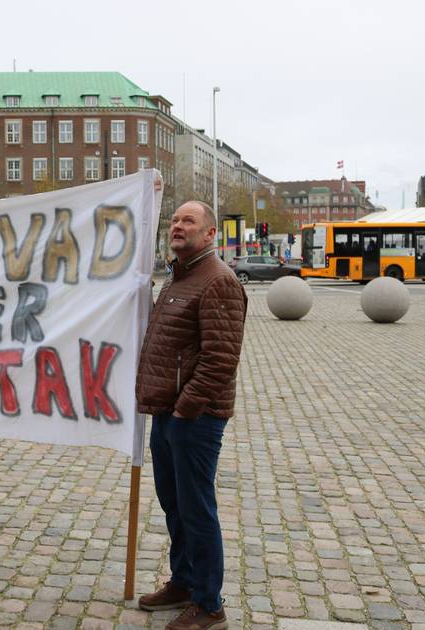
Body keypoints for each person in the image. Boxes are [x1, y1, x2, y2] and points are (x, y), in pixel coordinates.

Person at [135, 201, 246, 630]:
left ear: (211, 234)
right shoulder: (179, 277)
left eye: (189, 222)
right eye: (175, 220)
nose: (178, 226)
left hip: (194, 418)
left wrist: (185, 409)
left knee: (197, 509)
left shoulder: (218, 281)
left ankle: (209, 602)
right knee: (175, 505)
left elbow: (221, 360)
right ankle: (183, 580)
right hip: (169, 411)